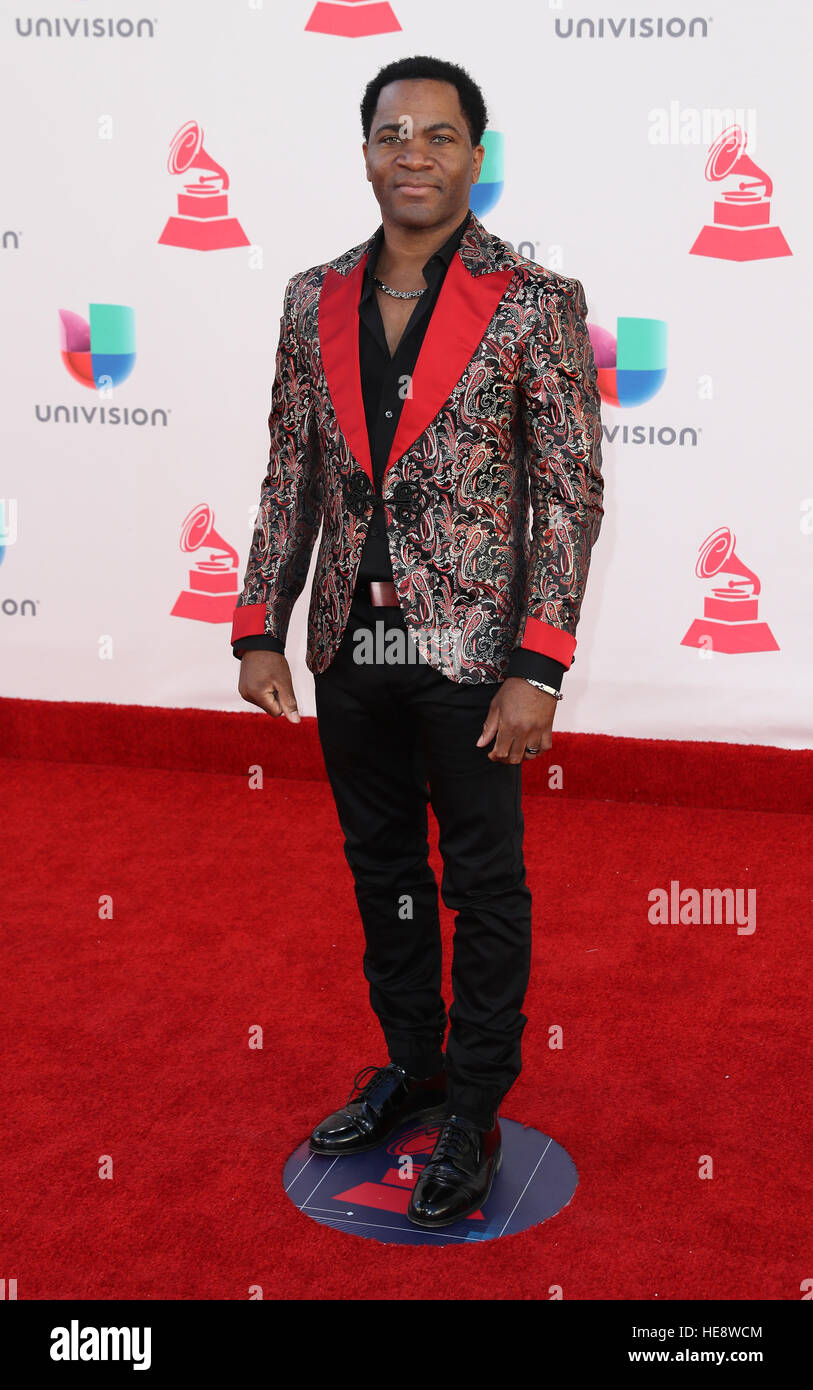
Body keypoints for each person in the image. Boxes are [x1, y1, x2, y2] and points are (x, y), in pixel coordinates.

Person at [232, 54, 604, 1229]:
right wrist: (260, 627)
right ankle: (415, 1063)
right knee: (386, 872)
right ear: (367, 152)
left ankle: (477, 1107)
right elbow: (290, 475)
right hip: (352, 646)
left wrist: (537, 663)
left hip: (471, 653)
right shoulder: (313, 296)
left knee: (483, 885)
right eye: (395, 134)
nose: (416, 155)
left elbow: (569, 494)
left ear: (475, 155)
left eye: (441, 136)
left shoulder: (537, 303)